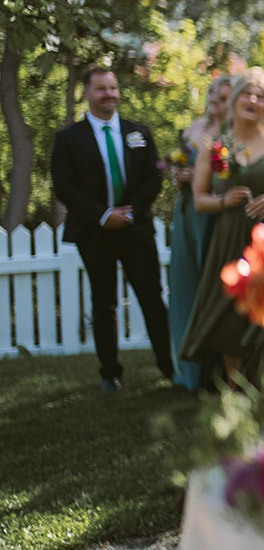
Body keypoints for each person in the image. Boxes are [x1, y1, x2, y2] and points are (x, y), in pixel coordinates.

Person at [50, 66, 173, 391]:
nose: (110, 94)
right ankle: (110, 374)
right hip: (96, 231)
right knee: (104, 303)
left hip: (136, 229)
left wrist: (131, 212)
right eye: (102, 88)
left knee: (151, 297)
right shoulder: (68, 138)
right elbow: (64, 186)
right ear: (87, 93)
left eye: (114, 88)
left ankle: (169, 366)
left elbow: (153, 176)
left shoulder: (139, 133)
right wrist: (103, 215)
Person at [180, 68, 264, 379]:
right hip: (229, 238)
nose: (253, 99)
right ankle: (234, 386)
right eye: (248, 93)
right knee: (228, 311)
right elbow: (199, 199)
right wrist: (225, 201)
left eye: (260, 96)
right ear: (235, 100)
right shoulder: (216, 146)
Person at [165, 75, 233, 390]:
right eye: (213, 93)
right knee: (184, 284)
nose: (215, 99)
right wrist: (178, 174)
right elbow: (178, 168)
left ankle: (214, 370)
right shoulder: (193, 128)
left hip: (212, 214)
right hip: (186, 212)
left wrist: (203, 176)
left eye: (224, 95)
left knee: (211, 284)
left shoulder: (235, 135)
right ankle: (186, 368)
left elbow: (235, 175)